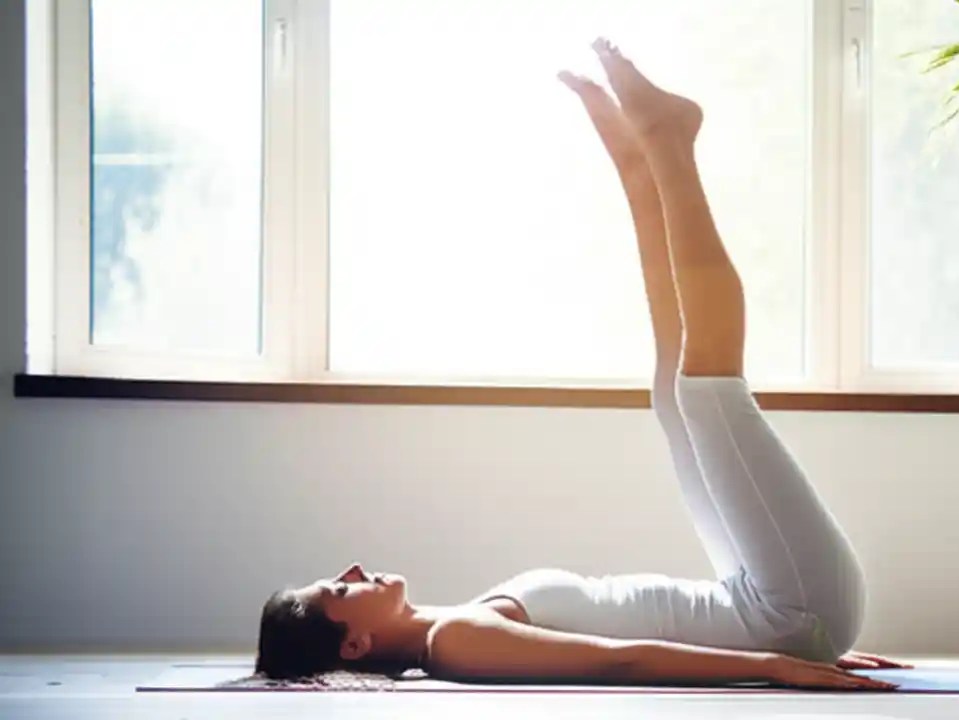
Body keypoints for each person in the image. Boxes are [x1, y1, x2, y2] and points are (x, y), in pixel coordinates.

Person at [255, 40, 908, 691]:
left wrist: (799, 650)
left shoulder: (463, 621)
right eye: (334, 592)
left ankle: (640, 164)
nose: (350, 568)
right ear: (356, 642)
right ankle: (669, 145)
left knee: (672, 395)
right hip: (789, 614)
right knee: (710, 396)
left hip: (775, 610)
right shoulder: (453, 642)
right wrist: (778, 662)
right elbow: (616, 660)